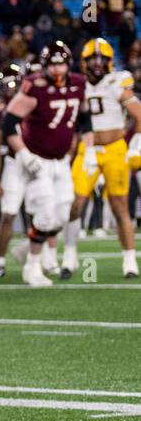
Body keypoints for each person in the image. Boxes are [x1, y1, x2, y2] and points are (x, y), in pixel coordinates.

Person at [1, 42, 85, 286]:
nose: (57, 69)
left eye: (61, 63)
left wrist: (87, 150)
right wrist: (25, 155)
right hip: (38, 160)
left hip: (62, 161)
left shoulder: (78, 83)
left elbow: (85, 117)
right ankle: (32, 267)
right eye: (52, 64)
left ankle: (26, 248)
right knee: (46, 214)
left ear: (68, 64)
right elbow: (8, 124)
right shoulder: (35, 87)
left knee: (62, 215)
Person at [67, 38, 141, 278]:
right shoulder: (77, 85)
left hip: (115, 148)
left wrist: (136, 146)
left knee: (120, 206)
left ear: (110, 62)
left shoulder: (116, 82)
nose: (97, 63)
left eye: (102, 59)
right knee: (75, 204)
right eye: (92, 59)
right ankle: (69, 257)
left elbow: (139, 115)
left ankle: (129, 260)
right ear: (84, 61)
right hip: (86, 149)